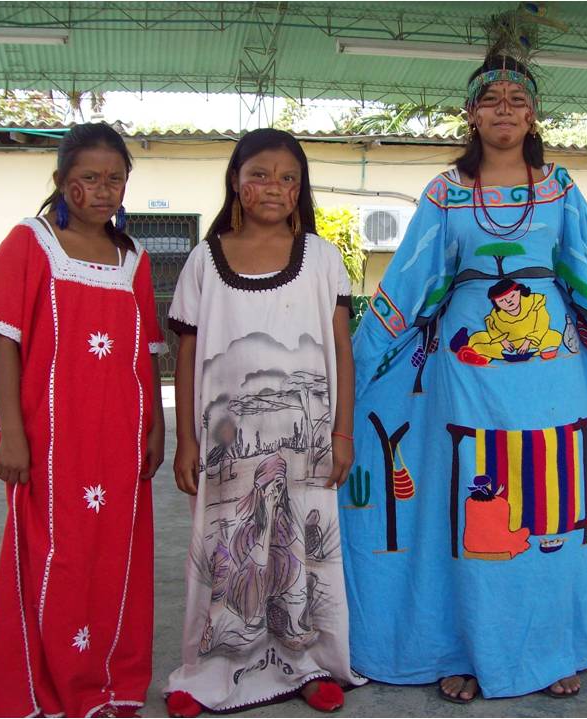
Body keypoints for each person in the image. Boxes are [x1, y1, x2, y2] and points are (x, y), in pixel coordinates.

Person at [338, 54, 587, 704]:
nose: (502, 108)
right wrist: (356, 361)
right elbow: (409, 282)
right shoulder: (446, 193)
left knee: (553, 511)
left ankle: (552, 648)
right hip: (463, 375)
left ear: (532, 114)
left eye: (515, 98)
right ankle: (464, 648)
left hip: (553, 379)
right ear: (469, 114)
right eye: (489, 99)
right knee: (470, 504)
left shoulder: (558, 189)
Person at [0, 123, 166, 717]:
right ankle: (45, 688)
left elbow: (147, 355)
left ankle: (102, 682)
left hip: (119, 437)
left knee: (112, 560)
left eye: (115, 179)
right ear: (62, 182)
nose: (102, 192)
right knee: (55, 556)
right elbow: (4, 340)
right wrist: (15, 436)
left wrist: (155, 426)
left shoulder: (134, 260)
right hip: (51, 440)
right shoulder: (31, 242)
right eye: (88, 179)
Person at [164, 128, 366, 716]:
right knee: (225, 548)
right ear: (235, 181)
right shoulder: (204, 260)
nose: (272, 187)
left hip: (308, 448)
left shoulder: (324, 260)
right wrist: (186, 439)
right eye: (259, 174)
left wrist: (342, 433)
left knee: (300, 548)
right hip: (224, 450)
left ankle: (307, 662)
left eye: (287, 178)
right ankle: (212, 671)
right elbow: (184, 352)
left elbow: (341, 350)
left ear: (300, 189)